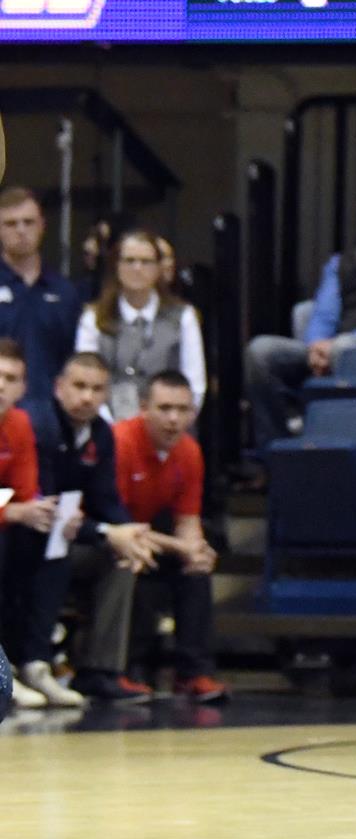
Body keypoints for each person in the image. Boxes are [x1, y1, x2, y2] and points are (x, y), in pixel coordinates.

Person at [8, 353, 161, 705]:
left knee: (121, 557)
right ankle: (31, 661)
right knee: (56, 547)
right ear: (58, 388)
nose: (87, 397)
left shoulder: (101, 435)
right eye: (79, 386)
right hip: (24, 534)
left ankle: (100, 671)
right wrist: (108, 532)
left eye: (96, 389)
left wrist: (130, 534)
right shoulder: (39, 424)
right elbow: (42, 499)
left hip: (66, 532)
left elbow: (107, 499)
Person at [242, 177, 356, 450]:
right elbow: (323, 313)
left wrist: (341, 344)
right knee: (261, 351)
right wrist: (317, 345)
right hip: (333, 348)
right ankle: (278, 450)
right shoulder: (342, 262)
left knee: (345, 348)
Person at [114, 371, 226, 701]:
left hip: (155, 534)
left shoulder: (189, 451)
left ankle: (194, 672)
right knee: (138, 559)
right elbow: (122, 524)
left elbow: (187, 519)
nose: (174, 419)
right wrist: (182, 546)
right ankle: (133, 666)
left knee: (196, 570)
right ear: (143, 408)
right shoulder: (121, 441)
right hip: (117, 534)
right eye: (164, 409)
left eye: (182, 410)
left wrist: (197, 549)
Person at [74, 231, 205, 423]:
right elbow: (85, 380)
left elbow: (195, 385)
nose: (137, 268)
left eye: (146, 261)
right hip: (108, 428)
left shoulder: (184, 317)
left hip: (169, 427)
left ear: (159, 268)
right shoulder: (93, 317)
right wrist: (113, 428)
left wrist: (172, 421)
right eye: (129, 260)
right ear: (116, 266)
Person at [0, 339, 62, 710]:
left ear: (23, 387)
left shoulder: (20, 424)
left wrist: (42, 511)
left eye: (10, 378)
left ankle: (35, 663)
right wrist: (15, 512)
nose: (1, 385)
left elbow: (25, 491)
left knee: (50, 545)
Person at [0, 188, 85, 402]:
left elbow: (74, 359)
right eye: (11, 223)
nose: (21, 230)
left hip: (51, 419)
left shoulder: (65, 292)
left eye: (28, 222)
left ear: (42, 226)